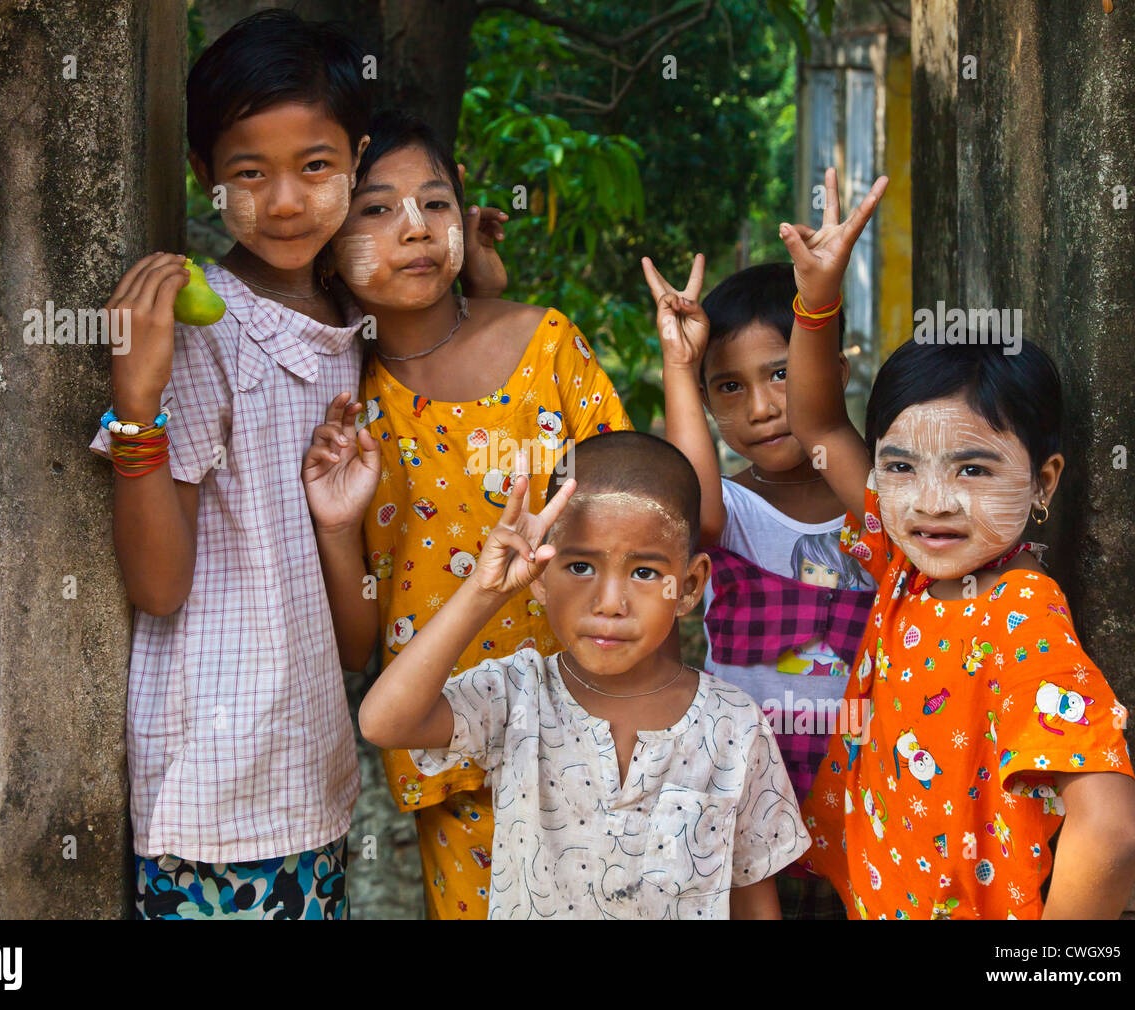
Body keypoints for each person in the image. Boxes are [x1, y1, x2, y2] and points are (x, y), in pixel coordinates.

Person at [88, 13, 503, 919]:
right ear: (206, 176)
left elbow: (350, 637)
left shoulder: (345, 325)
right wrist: (137, 400)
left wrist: (480, 271)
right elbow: (159, 586)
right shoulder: (201, 331)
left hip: (311, 778)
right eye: (249, 172)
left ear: (353, 160)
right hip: (216, 797)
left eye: (315, 167)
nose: (284, 201)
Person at [781, 167, 1135, 919]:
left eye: (973, 468)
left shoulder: (1021, 616)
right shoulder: (902, 561)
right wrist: (816, 303)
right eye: (901, 466)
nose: (932, 501)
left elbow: (1110, 835)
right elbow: (818, 426)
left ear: (1044, 482)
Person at [304, 110, 633, 918]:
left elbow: (642, 525)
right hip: (453, 756)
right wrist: (338, 531)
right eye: (376, 209)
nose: (413, 228)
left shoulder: (546, 346)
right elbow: (357, 644)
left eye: (436, 202)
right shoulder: (345, 406)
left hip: (596, 734)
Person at [351, 431, 808, 918]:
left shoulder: (734, 726)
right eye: (581, 566)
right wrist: (484, 592)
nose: (609, 603)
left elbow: (753, 893)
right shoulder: (517, 696)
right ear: (541, 576)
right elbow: (384, 723)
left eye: (645, 573)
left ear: (690, 585)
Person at [646, 256, 875, 919]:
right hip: (750, 822)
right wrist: (676, 363)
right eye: (728, 387)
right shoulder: (729, 515)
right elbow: (694, 507)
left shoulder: (879, 497)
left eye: (781, 373)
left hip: (873, 812)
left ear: (834, 370)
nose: (764, 407)